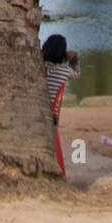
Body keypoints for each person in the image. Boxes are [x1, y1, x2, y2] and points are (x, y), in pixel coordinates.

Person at [42, 34, 80, 175]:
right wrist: (74, 59)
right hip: (52, 116)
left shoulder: (37, 65)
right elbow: (77, 73)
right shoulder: (65, 71)